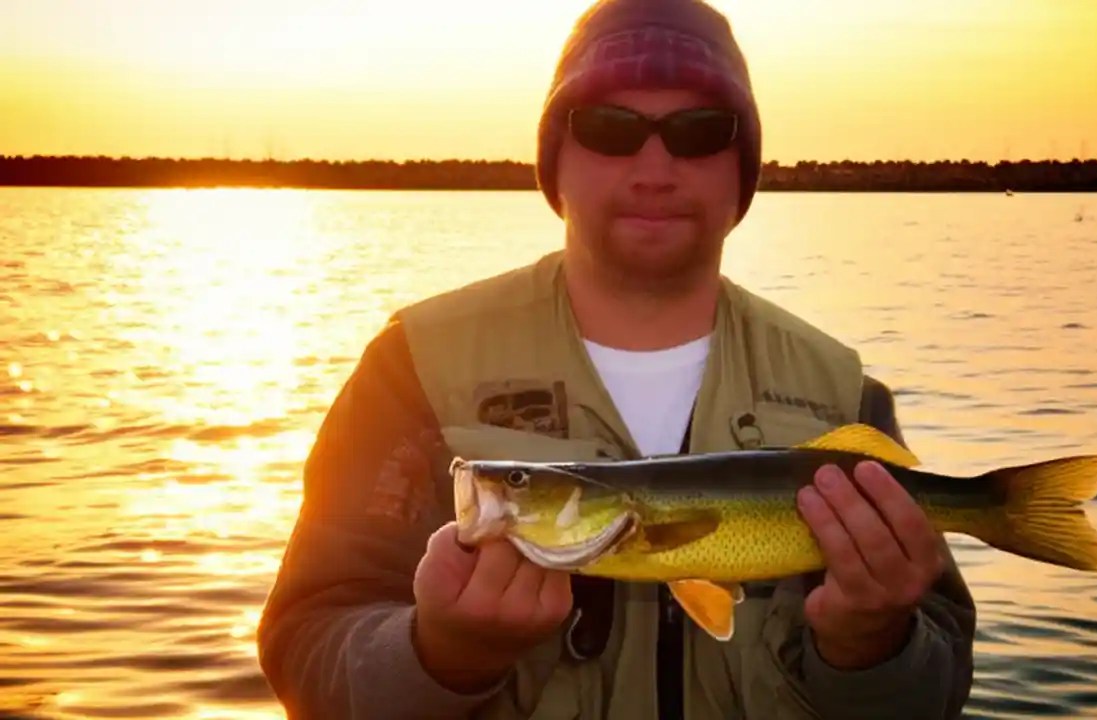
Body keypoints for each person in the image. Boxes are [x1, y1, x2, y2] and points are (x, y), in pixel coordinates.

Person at [256, 0, 976, 717]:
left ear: (741, 168)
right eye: (610, 128)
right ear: (555, 160)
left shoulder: (844, 392)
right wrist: (440, 653)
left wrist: (872, 645)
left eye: (699, 132)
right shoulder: (411, 369)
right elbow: (306, 648)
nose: (655, 167)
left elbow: (938, 689)